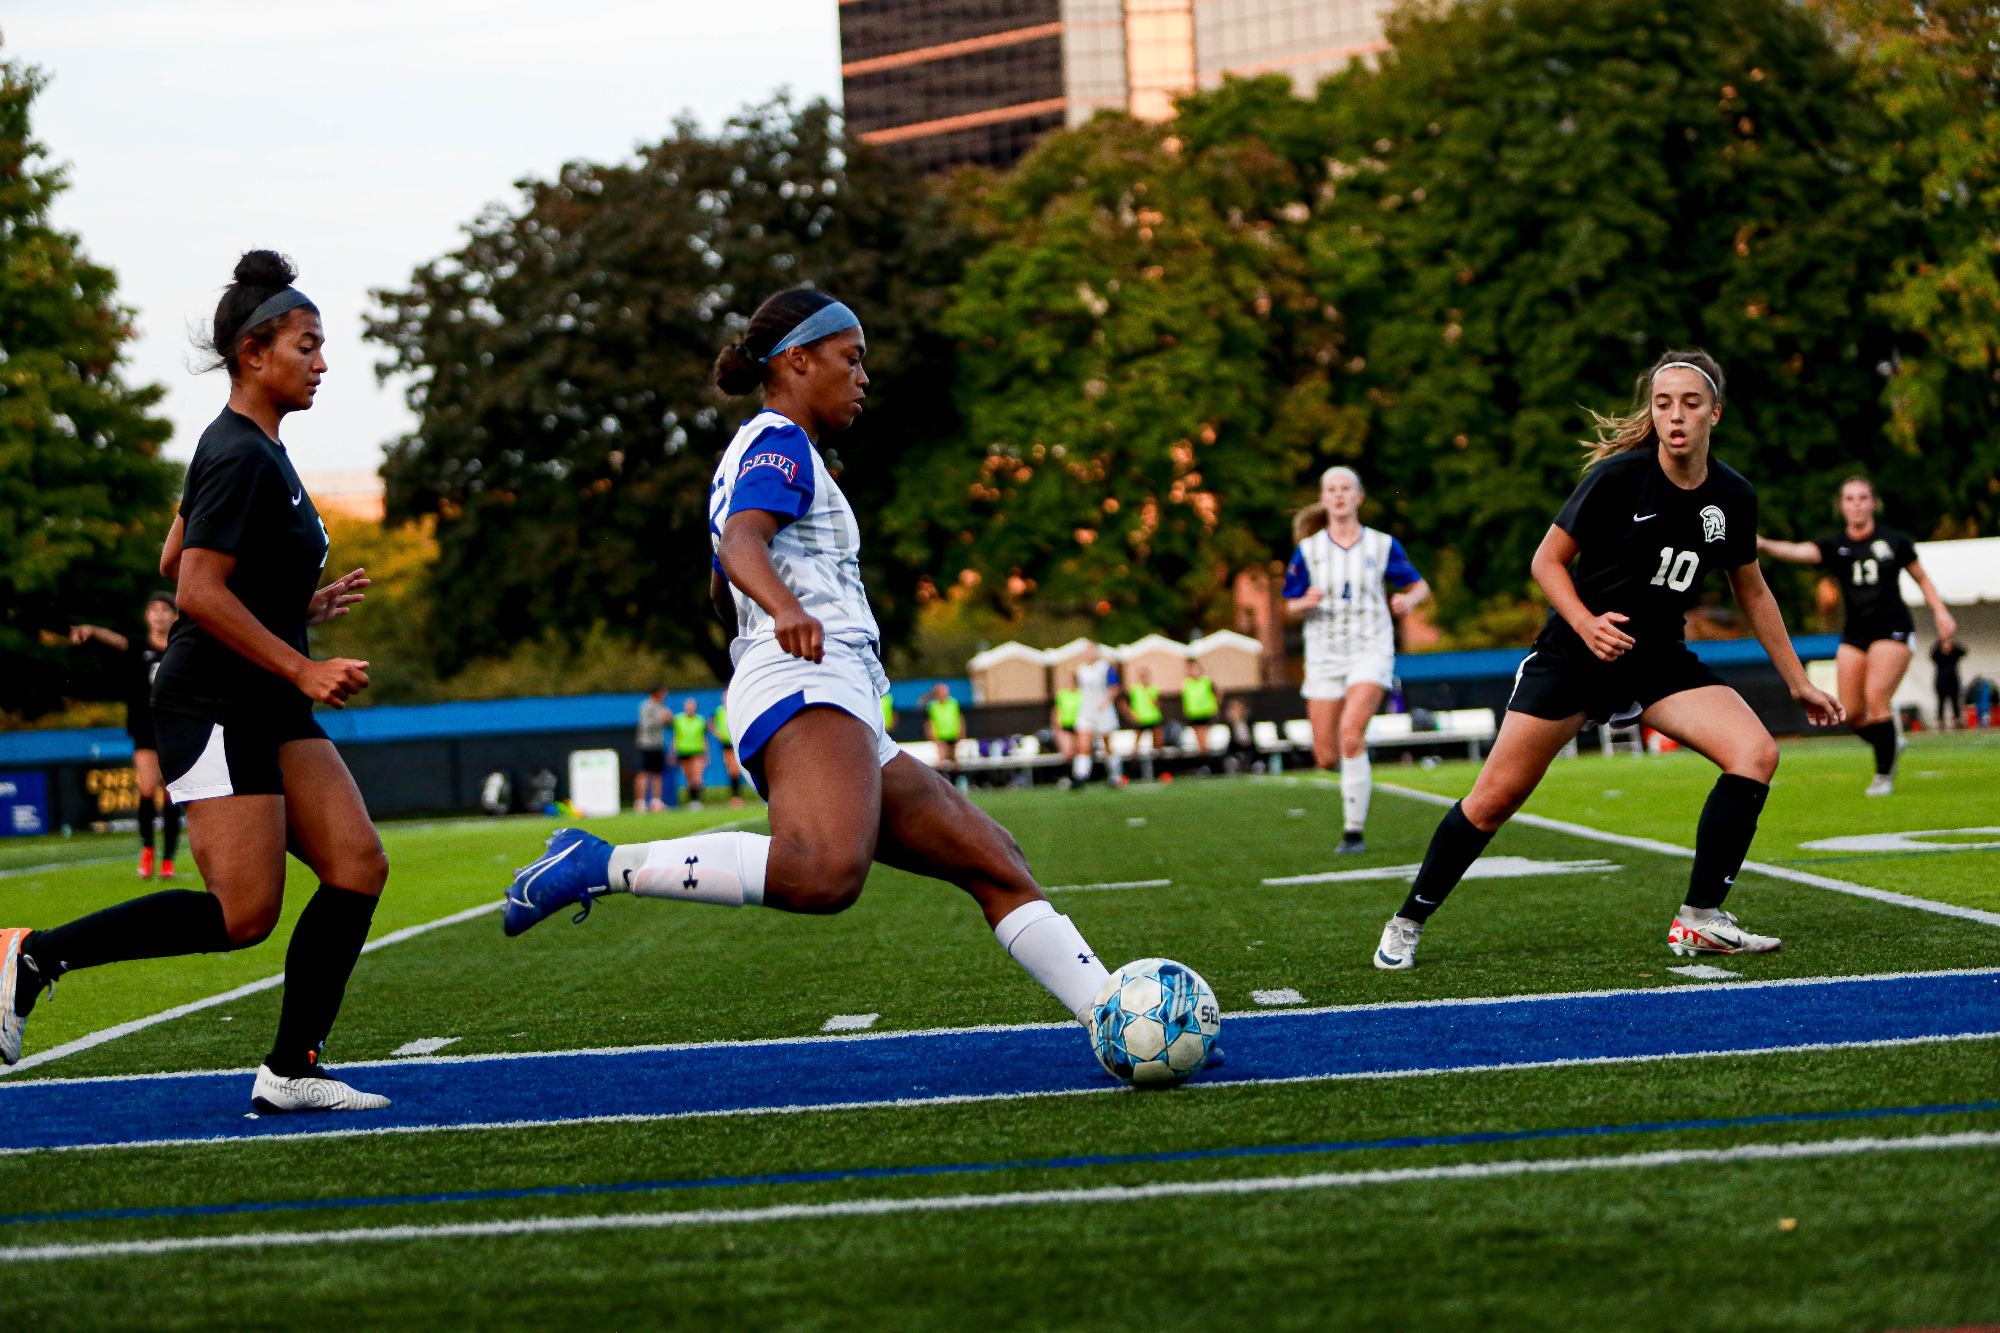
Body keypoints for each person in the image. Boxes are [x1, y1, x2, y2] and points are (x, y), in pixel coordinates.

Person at [499, 288, 1113, 1035]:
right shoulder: (779, 442)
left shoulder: (771, 452)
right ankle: (598, 863)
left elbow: (722, 584)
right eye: (851, 359)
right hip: (806, 682)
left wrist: (766, 613)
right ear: (797, 359)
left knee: (994, 858)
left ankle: (1113, 1013)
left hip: (823, 686)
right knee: (824, 873)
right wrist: (787, 612)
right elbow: (739, 545)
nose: (863, 377)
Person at [2, 251, 390, 1115]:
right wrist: (302, 662)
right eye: (307, 345)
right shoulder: (239, 453)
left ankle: (291, 1068)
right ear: (254, 353)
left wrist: (301, 608)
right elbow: (193, 589)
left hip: (261, 694)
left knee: (358, 863)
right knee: (243, 914)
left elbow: (178, 553)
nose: (323, 362)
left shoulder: (261, 452)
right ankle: (32, 956)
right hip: (214, 701)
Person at [1372, 351, 1843, 972]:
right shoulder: (1619, 478)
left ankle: (1700, 918)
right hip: (1575, 657)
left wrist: (1798, 681)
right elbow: (1546, 562)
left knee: (1756, 754)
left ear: (1715, 414)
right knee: (1493, 800)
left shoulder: (1732, 496)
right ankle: (1407, 919)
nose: (1675, 416)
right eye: (1663, 403)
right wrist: (1586, 623)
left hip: (1657, 660)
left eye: (1691, 404)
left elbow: (1751, 589)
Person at [1758, 477, 1957, 793]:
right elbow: (1799, 552)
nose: (1857, 504)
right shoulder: (1836, 546)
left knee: (1877, 696)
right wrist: (1764, 544)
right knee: (1851, 712)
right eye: (1849, 499)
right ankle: (1891, 740)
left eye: (1863, 497)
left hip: (1892, 630)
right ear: (1841, 506)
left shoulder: (1894, 541)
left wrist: (1940, 610)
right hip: (1855, 634)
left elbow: (1922, 579)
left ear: (1873, 503)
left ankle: (1883, 776)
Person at [1281, 466, 1430, 854]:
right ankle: (1358, 745)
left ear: (1359, 496)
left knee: (1350, 735)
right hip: (1324, 656)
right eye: (1331, 489)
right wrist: (1303, 603)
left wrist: (1407, 600)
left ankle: (1353, 832)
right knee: (1327, 756)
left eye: (1346, 488)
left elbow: (1420, 587)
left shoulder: (1381, 545)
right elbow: (1289, 607)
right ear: (1323, 498)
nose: (1339, 495)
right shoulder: (1310, 550)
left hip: (1371, 649)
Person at [69, 592, 181, 878]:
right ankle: (147, 850)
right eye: (154, 609)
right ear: (147, 616)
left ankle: (168, 859)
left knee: (172, 795)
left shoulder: (182, 647)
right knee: (146, 790)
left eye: (165, 610)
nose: (159, 615)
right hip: (144, 728)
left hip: (174, 728)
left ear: (174, 616)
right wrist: (92, 630)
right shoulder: (138, 646)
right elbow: (116, 640)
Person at [1070, 642, 1121, 786]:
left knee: (1107, 745)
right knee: (1083, 745)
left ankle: (1115, 775)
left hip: (1103, 711)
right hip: (1086, 711)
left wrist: (1105, 703)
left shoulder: (1105, 667)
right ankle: (1080, 776)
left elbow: (1114, 687)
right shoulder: (1082, 670)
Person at [634, 686, 669, 812]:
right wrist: (661, 719)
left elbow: (668, 723)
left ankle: (656, 801)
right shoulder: (646, 706)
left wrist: (668, 719)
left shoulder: (661, 706)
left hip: (658, 744)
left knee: (658, 773)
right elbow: (645, 724)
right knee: (644, 772)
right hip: (646, 744)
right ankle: (640, 802)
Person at [672, 697, 710, 810]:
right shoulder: (678, 720)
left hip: (697, 750)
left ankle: (697, 800)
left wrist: (707, 753)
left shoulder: (700, 720)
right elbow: (676, 737)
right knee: (689, 778)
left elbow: (703, 737)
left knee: (697, 777)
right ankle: (692, 800)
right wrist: (673, 752)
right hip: (683, 751)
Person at [1179, 659, 1221, 754]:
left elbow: (1218, 692)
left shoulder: (1206, 681)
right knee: (1199, 740)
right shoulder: (1187, 683)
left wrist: (1215, 705)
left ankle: (1206, 757)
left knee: (1204, 739)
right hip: (1194, 713)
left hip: (1206, 712)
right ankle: (1203, 758)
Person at [710, 703, 746, 807]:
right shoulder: (719, 711)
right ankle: (735, 796)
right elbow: (710, 723)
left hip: (737, 743)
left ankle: (737, 796)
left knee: (736, 769)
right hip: (726, 744)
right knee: (732, 770)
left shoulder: (737, 709)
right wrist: (717, 733)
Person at [1122, 666, 1165, 752]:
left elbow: (1158, 705)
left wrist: (1153, 700)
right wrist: (1131, 714)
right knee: (1136, 744)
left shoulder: (1153, 689)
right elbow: (1124, 704)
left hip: (1153, 718)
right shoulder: (1134, 690)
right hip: (1140, 719)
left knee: (1158, 743)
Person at [923, 683, 964, 766]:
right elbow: (930, 723)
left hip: (953, 734)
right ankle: (942, 777)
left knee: (955, 760)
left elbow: (959, 718)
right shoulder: (933, 706)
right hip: (940, 736)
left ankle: (956, 778)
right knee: (941, 760)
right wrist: (933, 737)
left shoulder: (953, 703)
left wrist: (961, 732)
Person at [1932, 636, 1967, 729]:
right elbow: (1932, 655)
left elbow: (1964, 652)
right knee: (1941, 702)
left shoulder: (1954, 654)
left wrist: (1953, 645)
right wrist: (1940, 643)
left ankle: (1957, 722)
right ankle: (1941, 723)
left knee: (1955, 702)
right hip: (1941, 681)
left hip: (1953, 681)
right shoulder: (1938, 656)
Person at [1051, 682, 1082, 765]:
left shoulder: (1081, 694)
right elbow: (1057, 710)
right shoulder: (1062, 695)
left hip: (1079, 726)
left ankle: (1078, 772)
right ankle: (1067, 772)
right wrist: (1057, 725)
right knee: (1067, 750)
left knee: (1078, 749)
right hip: (1065, 726)